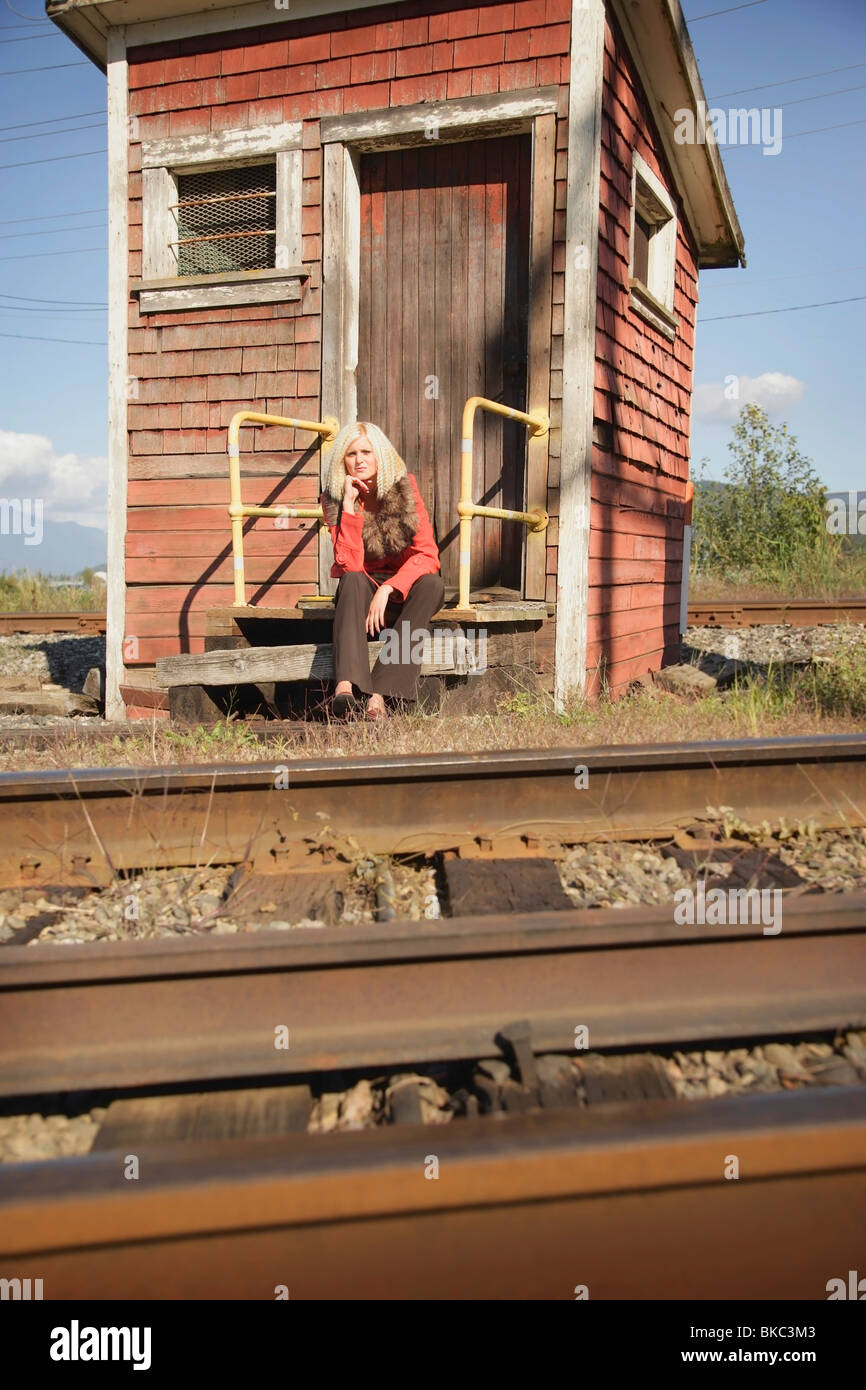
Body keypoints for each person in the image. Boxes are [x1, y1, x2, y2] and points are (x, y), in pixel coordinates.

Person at [319, 422, 444, 720]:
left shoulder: (405, 488)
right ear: (342, 460)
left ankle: (380, 695)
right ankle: (345, 688)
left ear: (380, 455)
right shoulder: (335, 498)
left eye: (366, 452)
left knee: (433, 585)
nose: (359, 460)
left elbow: (428, 554)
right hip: (362, 589)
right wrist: (348, 507)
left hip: (401, 589)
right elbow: (348, 565)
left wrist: (389, 589)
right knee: (350, 579)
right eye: (351, 454)